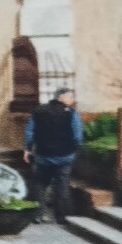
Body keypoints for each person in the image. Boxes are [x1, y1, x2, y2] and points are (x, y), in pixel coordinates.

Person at [24, 87, 83, 223]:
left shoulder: (39, 111)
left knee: (40, 185)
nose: (72, 100)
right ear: (61, 98)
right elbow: (77, 135)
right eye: (70, 97)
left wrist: (27, 148)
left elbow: (30, 132)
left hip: (43, 155)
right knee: (61, 186)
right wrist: (75, 148)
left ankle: (38, 214)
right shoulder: (72, 114)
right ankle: (60, 216)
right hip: (65, 155)